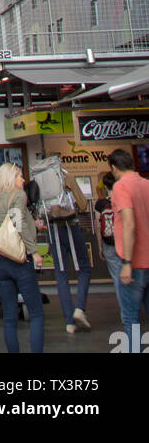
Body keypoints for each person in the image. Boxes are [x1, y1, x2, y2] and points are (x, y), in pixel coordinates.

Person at [0, 162, 45, 354]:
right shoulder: (18, 195)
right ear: (11, 178)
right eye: (20, 176)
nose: (23, 180)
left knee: (9, 316)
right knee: (36, 313)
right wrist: (34, 251)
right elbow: (17, 220)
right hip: (19, 260)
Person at [35, 162, 91, 334]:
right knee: (84, 267)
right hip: (71, 226)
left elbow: (39, 212)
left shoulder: (40, 181)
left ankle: (69, 322)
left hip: (53, 230)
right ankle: (79, 308)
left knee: (61, 273)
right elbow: (82, 205)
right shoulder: (67, 177)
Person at [109, 147, 149, 353]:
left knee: (131, 318)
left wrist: (126, 262)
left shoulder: (121, 187)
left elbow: (129, 224)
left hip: (134, 264)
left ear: (114, 168)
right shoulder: (147, 185)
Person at [95, 171, 122, 309]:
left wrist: (100, 247)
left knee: (117, 278)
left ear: (105, 186)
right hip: (124, 243)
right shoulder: (123, 198)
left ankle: (125, 308)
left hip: (109, 244)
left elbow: (98, 225)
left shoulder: (100, 203)